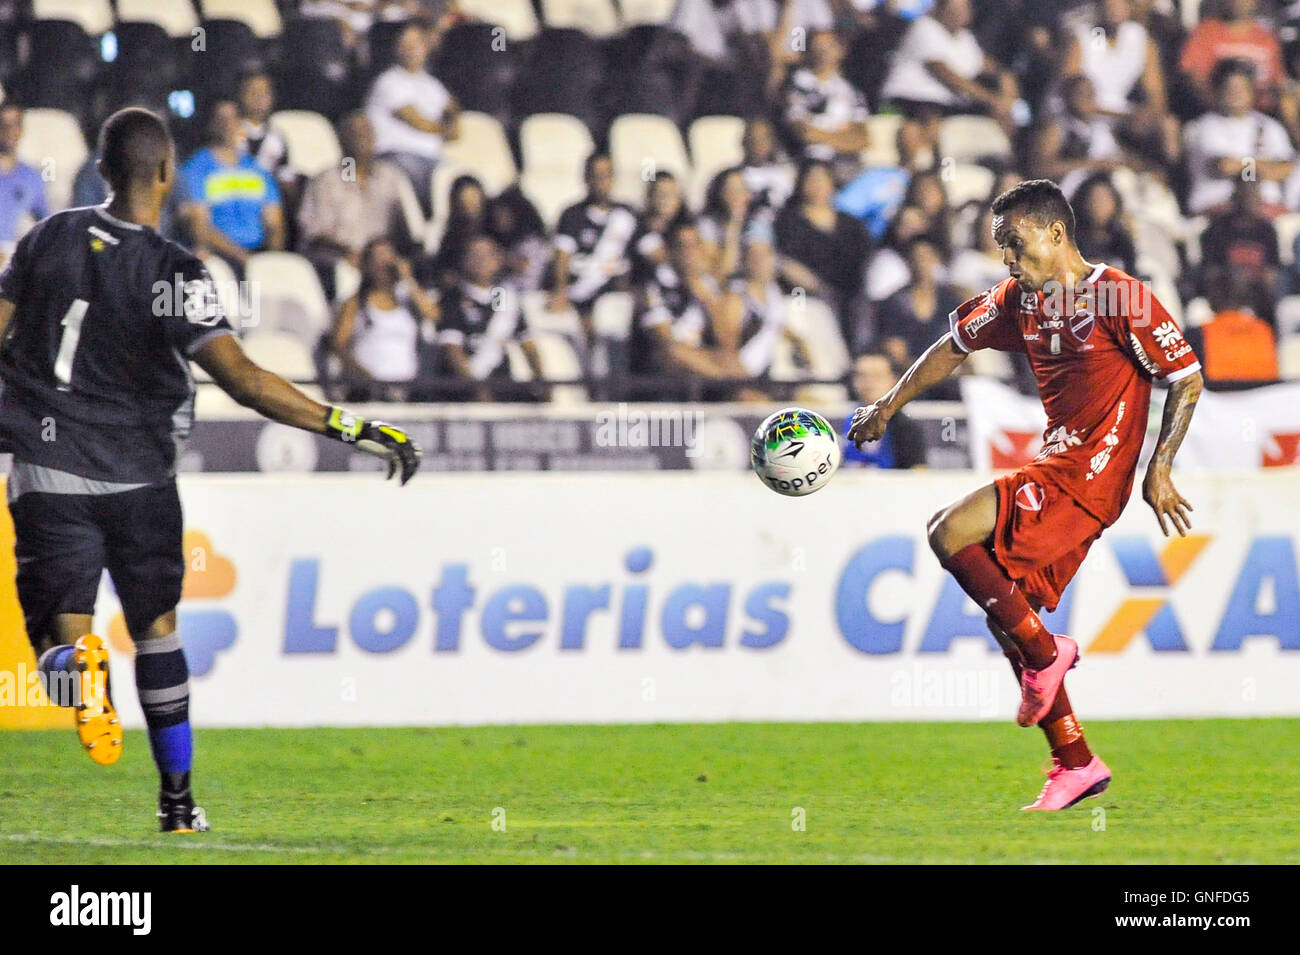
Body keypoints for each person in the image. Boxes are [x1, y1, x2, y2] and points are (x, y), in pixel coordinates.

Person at [0, 107, 420, 833]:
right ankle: (177, 804)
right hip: (141, 481)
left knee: (58, 646)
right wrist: (350, 424)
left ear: (101, 169)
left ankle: (80, 663)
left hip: (48, 470)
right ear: (165, 174)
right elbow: (248, 381)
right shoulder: (176, 272)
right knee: (158, 631)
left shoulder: (47, 237)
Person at [849, 179, 1204, 810]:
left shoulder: (1122, 297)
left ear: (1056, 232)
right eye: (1000, 248)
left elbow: (1186, 378)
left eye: (1014, 244)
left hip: (1087, 473)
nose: (1007, 259)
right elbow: (951, 347)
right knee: (1005, 614)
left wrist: (1160, 468)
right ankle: (1074, 760)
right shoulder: (1021, 300)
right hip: (1059, 465)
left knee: (947, 531)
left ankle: (1048, 654)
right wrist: (888, 403)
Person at [297, 111, 410, 298]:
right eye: (355, 132)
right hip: (339, 260)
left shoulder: (391, 178)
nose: (362, 137)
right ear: (341, 138)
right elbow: (313, 235)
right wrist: (351, 254)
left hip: (382, 262)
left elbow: (406, 230)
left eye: (366, 130)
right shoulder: (327, 180)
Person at [365, 22, 460, 219]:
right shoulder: (388, 81)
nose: (410, 50)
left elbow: (453, 114)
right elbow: (416, 121)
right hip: (395, 155)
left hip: (431, 158)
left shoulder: (433, 85)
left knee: (461, 181)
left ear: (426, 48)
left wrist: (452, 118)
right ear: (395, 49)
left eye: (416, 44)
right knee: (417, 179)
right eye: (404, 44)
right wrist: (445, 129)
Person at [179, 99, 285, 273]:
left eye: (233, 118)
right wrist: (240, 255)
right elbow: (200, 228)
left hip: (258, 256)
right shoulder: (195, 168)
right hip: (220, 258)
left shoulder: (257, 170)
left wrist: (272, 257)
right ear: (211, 125)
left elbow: (275, 223)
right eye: (221, 119)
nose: (228, 125)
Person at [327, 236, 439, 401]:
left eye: (387, 258)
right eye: (376, 259)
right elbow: (339, 344)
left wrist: (408, 279)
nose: (382, 264)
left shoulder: (407, 301)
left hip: (406, 389)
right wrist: (364, 376)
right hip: (369, 390)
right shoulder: (355, 303)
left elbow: (434, 314)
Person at [438, 235, 544, 401]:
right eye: (475, 255)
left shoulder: (501, 296)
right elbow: (453, 352)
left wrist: (542, 383)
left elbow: (527, 344)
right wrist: (477, 390)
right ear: (464, 260)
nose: (481, 261)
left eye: (488, 255)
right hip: (466, 391)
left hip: (503, 385)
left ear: (498, 260)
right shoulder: (453, 297)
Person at [1183, 59, 1296, 216]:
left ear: (1252, 90)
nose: (1236, 94)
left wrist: (1242, 165)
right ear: (1217, 91)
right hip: (1218, 208)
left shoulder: (1270, 126)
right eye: (1230, 88)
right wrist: (1265, 165)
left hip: (1268, 210)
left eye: (1242, 88)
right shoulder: (1204, 126)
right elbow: (1224, 166)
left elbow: (1286, 169)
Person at [549, 152, 638, 338]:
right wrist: (560, 289)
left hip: (616, 289)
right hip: (582, 291)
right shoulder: (571, 214)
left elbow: (649, 252)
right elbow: (562, 257)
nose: (601, 182)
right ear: (585, 178)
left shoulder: (628, 214)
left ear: (614, 178)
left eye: (606, 175)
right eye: (595, 175)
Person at [874, 238, 962, 398]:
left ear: (937, 260)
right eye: (916, 258)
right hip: (910, 377)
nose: (921, 264)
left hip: (950, 376)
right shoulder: (895, 303)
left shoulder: (951, 300)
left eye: (927, 257)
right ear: (907, 262)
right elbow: (895, 352)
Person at [782, 29, 870, 182]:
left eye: (829, 46)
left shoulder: (852, 91)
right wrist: (844, 136)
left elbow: (862, 139)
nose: (823, 52)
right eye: (817, 47)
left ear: (840, 51)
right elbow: (804, 133)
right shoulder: (795, 87)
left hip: (848, 166)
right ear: (807, 51)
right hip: (811, 165)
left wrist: (821, 134)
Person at [841, 352, 925, 469]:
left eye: (877, 376)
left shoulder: (906, 428)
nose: (868, 382)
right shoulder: (845, 422)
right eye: (862, 375)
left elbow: (919, 473)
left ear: (894, 380)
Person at [0, 103, 49, 260]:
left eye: (15, 125)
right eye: (3, 125)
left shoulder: (30, 177)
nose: (9, 132)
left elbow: (47, 224)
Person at [1070, 173, 1137, 277]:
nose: (1100, 205)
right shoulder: (1072, 241)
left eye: (1105, 199)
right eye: (1095, 199)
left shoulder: (1122, 241)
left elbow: (1132, 275)